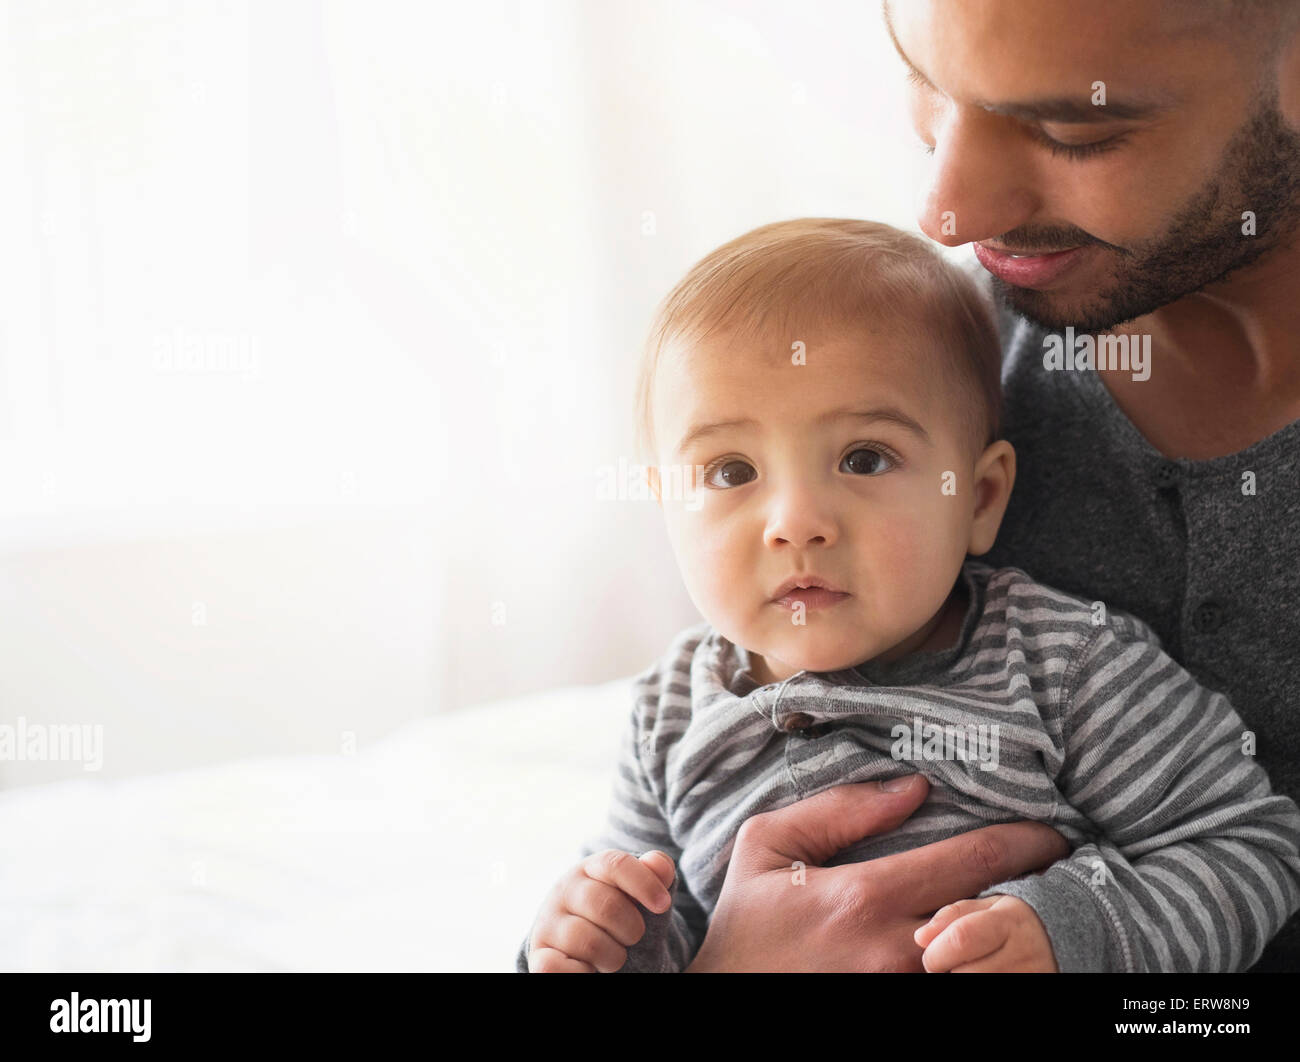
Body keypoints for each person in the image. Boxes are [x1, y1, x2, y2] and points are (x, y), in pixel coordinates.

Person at [667, 0, 1300, 975]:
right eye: (925, 79)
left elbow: (1235, 853)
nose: (945, 213)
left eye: (1068, 130)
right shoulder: (919, 374)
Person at [516, 218, 1300, 973]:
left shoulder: (1064, 665)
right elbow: (661, 918)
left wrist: (1073, 931)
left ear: (981, 498)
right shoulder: (672, 712)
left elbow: (1246, 844)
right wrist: (599, 937)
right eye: (730, 472)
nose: (796, 522)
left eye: (863, 459)